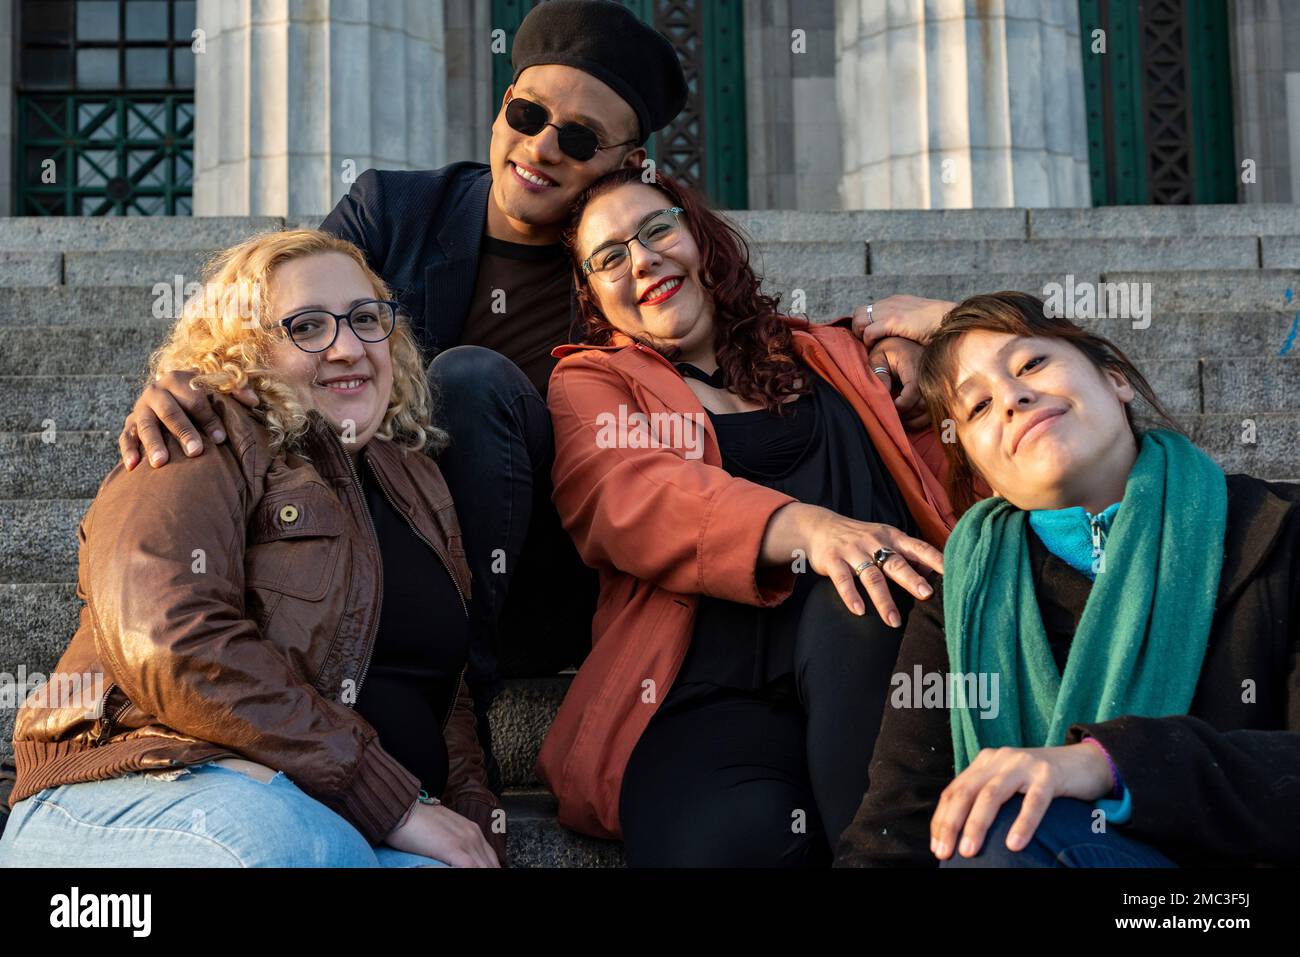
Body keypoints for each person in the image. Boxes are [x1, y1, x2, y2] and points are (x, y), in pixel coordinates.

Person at [108, 0, 944, 794]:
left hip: (551, 568)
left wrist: (909, 333)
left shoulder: (622, 276)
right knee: (463, 378)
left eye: (578, 138)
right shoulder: (393, 209)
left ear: (624, 166)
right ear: (504, 104)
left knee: (470, 380)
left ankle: (462, 675)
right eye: (529, 114)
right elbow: (275, 312)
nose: (541, 147)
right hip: (365, 545)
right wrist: (185, 374)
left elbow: (743, 343)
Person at [0, 229, 503, 868]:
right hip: (141, 782)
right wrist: (391, 801)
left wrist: (471, 828)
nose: (347, 348)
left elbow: (447, 701)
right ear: (244, 350)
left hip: (349, 818)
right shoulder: (198, 434)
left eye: (366, 319)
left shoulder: (419, 481)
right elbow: (170, 636)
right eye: (308, 327)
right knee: (295, 850)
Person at [535, 168, 988, 866]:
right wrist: (810, 526)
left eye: (658, 228)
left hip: (886, 670)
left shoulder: (841, 359)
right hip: (706, 693)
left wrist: (950, 328)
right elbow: (627, 495)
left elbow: (1030, 427)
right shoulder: (593, 382)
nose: (643, 258)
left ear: (701, 237)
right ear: (592, 294)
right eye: (609, 256)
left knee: (863, 596)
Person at [836, 291, 1300, 868]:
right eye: (977, 408)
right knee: (991, 831)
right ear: (981, 472)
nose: (1012, 397)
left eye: (1032, 364)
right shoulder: (963, 601)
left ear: (1115, 381)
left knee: (1009, 828)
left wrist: (1108, 762)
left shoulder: (1279, 530)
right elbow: (896, 827)